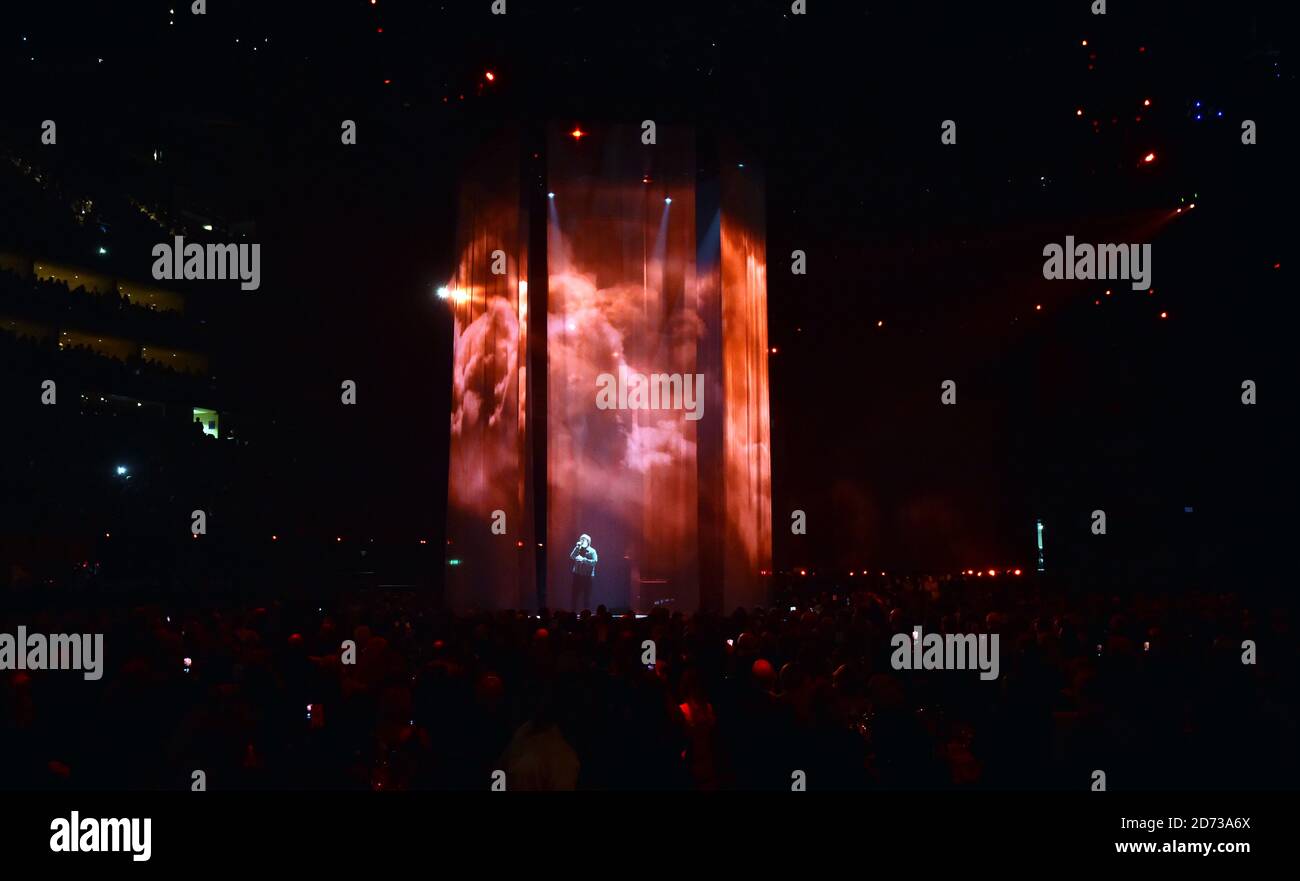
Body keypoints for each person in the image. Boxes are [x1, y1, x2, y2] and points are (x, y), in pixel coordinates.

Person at [569, 534, 598, 611]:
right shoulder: (578, 548)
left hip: (587, 577)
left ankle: (586, 613)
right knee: (574, 595)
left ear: (588, 541)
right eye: (581, 539)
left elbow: (594, 562)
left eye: (584, 539)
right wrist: (577, 547)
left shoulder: (592, 551)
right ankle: (573, 613)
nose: (582, 541)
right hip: (577, 575)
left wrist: (583, 559)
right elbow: (572, 556)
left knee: (586, 596)